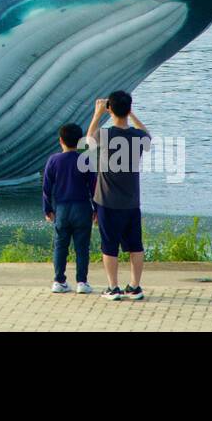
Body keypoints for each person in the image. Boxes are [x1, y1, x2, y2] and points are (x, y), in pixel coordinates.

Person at [86, 91, 151, 301]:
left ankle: (113, 288)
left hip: (107, 201)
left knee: (109, 245)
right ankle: (135, 286)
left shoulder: (105, 135)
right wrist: (132, 115)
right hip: (132, 201)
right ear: (128, 108)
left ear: (109, 109)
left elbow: (87, 141)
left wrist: (97, 114)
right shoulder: (137, 137)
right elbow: (148, 135)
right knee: (135, 245)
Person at [42, 122, 96, 295]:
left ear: (60, 141)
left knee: (60, 246)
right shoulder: (85, 159)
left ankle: (59, 281)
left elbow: (47, 187)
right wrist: (97, 210)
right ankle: (82, 282)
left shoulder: (53, 160)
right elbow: (94, 186)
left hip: (62, 208)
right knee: (82, 247)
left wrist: (47, 209)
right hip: (82, 207)